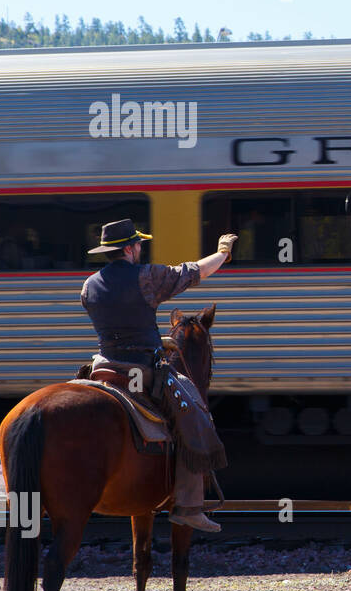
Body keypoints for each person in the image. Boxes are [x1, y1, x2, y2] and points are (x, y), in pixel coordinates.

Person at [80, 219, 238, 532]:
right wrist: (222, 253)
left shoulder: (89, 286)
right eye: (138, 244)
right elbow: (194, 272)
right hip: (144, 369)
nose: (140, 249)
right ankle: (189, 506)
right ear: (128, 248)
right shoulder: (147, 277)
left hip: (103, 367)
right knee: (194, 413)